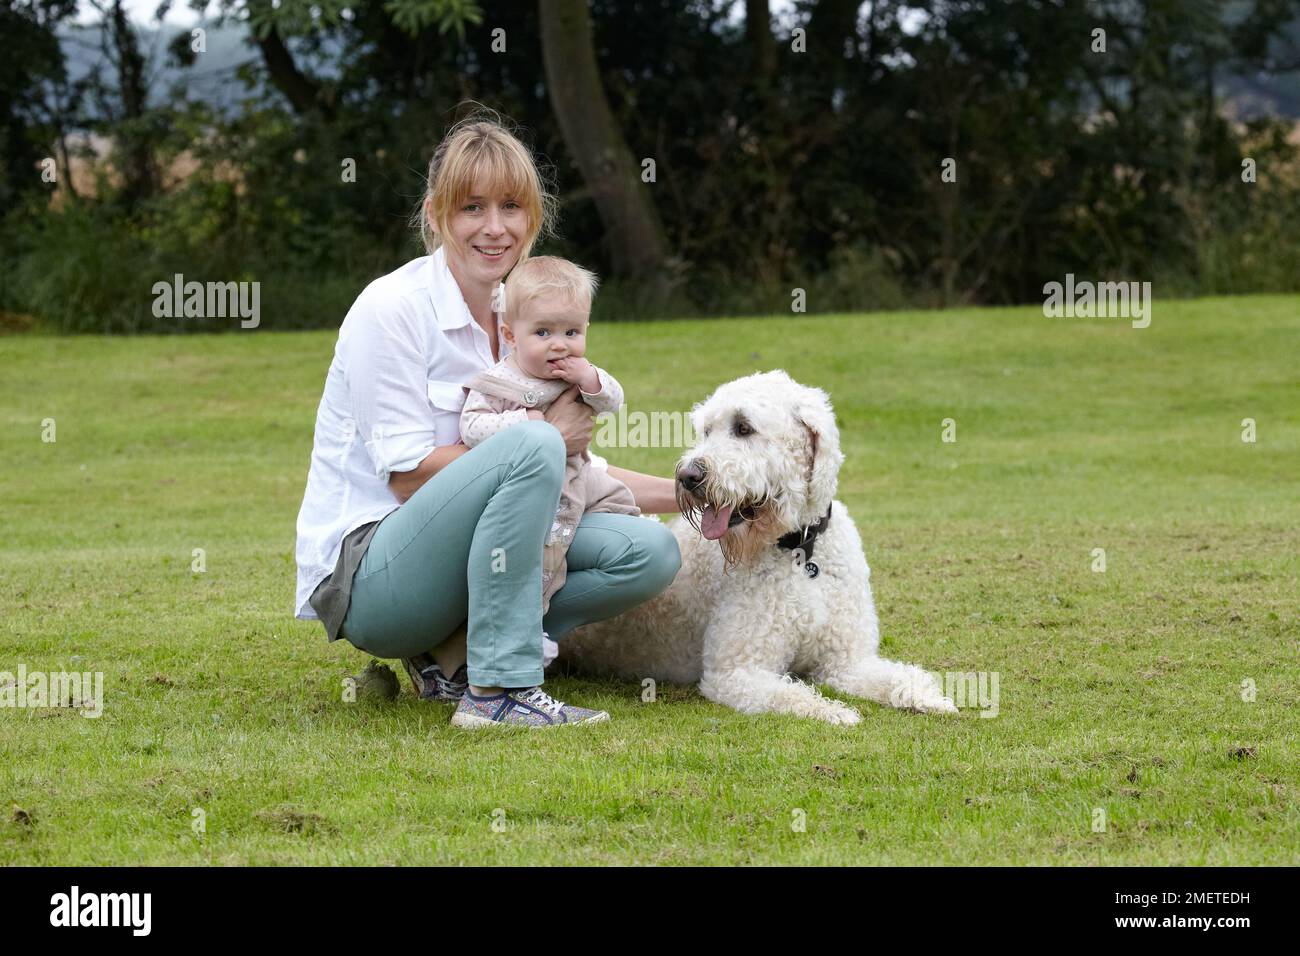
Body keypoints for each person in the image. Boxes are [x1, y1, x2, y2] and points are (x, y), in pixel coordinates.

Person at [293, 113, 681, 729]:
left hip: (461, 552)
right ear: (435, 214)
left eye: (511, 207)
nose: (494, 228)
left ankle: (453, 661)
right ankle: (498, 690)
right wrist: (547, 440)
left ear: (534, 218)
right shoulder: (390, 309)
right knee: (531, 446)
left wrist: (691, 497)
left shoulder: (523, 322)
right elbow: (410, 476)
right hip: (372, 576)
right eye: (472, 208)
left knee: (649, 552)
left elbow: (570, 467)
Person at [459, 255, 639, 633]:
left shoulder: (578, 374)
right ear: (511, 336)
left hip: (581, 477)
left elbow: (614, 403)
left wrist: (590, 379)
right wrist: (530, 425)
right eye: (543, 333)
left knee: (621, 500)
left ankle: (614, 539)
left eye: (571, 333)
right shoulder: (498, 383)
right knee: (545, 559)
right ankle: (532, 625)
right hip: (531, 493)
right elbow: (472, 426)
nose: (560, 346)